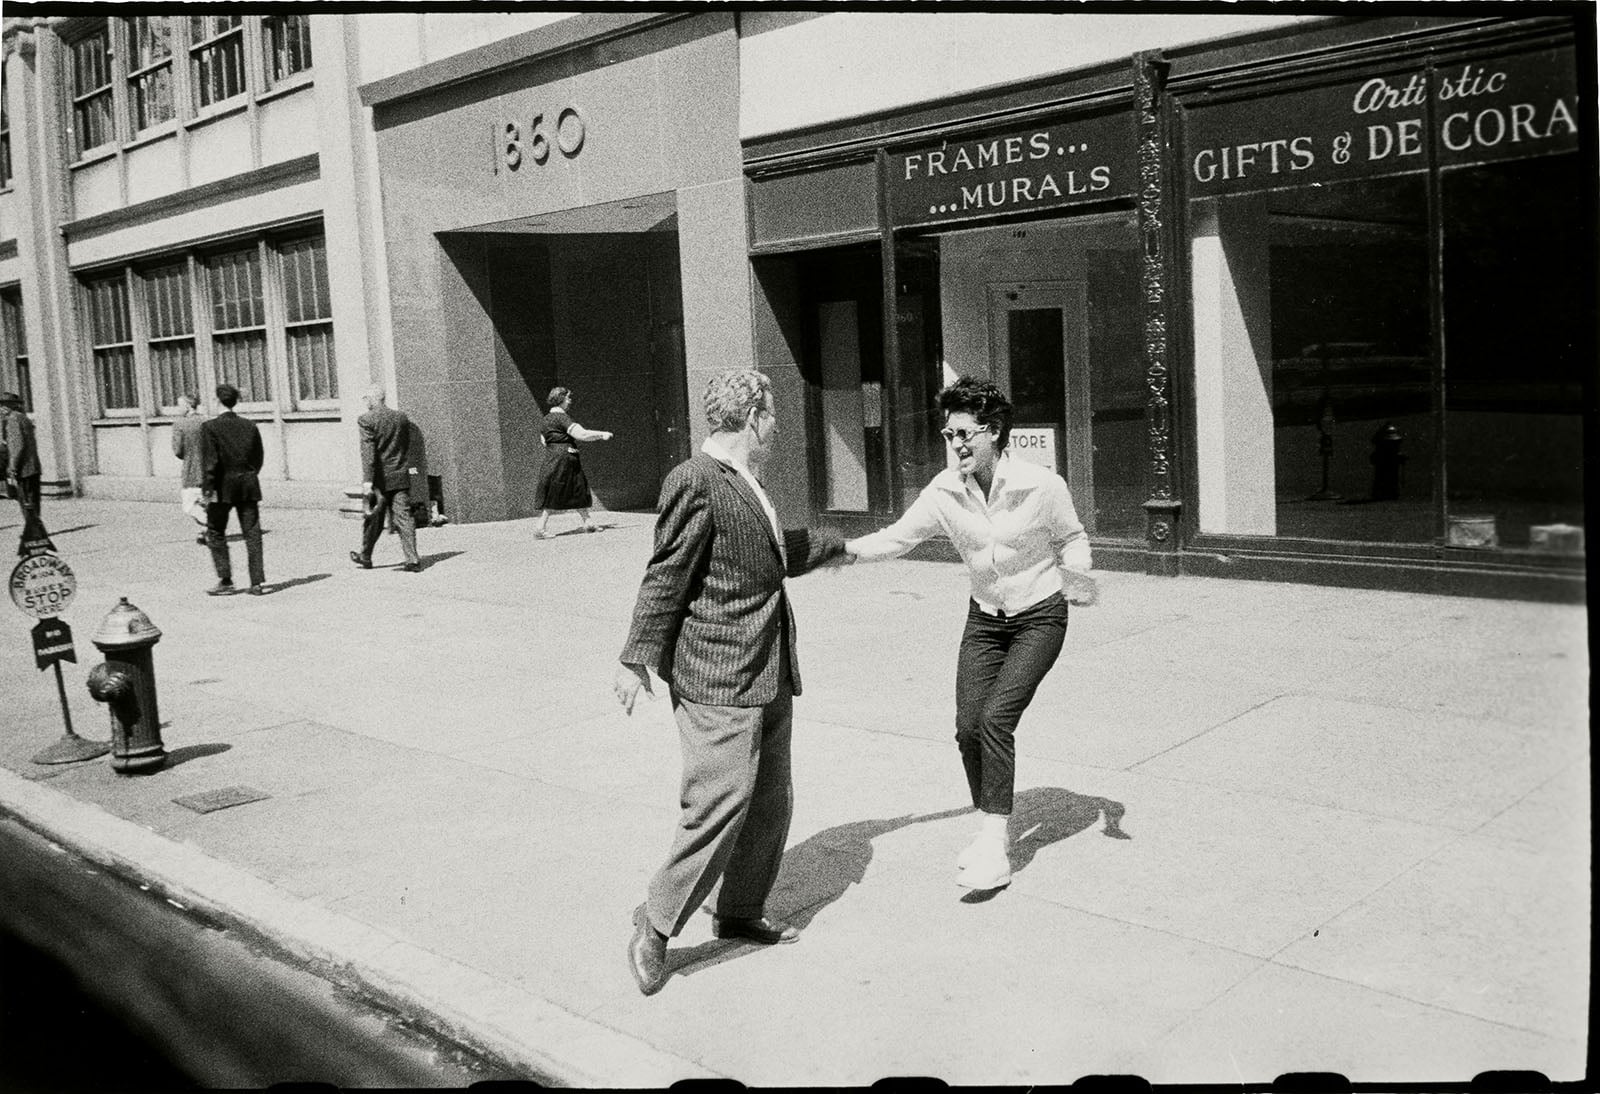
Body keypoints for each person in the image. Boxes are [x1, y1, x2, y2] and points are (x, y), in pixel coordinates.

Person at [614, 367, 845, 997]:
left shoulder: (744, 479)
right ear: (753, 417)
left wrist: (834, 545)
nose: (776, 427)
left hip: (768, 665)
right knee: (721, 798)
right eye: (771, 416)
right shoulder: (695, 479)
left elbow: (764, 556)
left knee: (769, 799)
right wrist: (635, 658)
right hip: (717, 671)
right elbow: (667, 573)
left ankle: (740, 910)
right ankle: (656, 925)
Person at [844, 376, 1097, 892]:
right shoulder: (944, 492)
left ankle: (994, 846)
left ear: (994, 431)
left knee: (995, 719)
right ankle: (989, 828)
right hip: (984, 621)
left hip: (1039, 616)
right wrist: (837, 550)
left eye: (965, 434)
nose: (956, 444)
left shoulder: (1042, 485)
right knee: (967, 728)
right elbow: (897, 538)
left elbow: (1073, 536)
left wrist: (1078, 576)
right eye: (949, 434)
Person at [200, 383, 267, 596]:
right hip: (248, 485)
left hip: (222, 487)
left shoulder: (210, 427)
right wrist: (249, 474)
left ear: (217, 401)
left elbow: (210, 463)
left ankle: (226, 579)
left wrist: (207, 491)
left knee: (215, 530)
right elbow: (258, 457)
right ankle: (256, 582)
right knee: (252, 533)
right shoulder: (250, 426)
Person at [349, 383, 421, 573]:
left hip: (379, 480)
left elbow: (369, 454)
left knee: (373, 518)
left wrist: (367, 482)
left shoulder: (366, 420)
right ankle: (412, 559)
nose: (365, 403)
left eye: (366, 399)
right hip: (399, 475)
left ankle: (366, 556)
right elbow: (405, 445)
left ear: (372, 399)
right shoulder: (401, 417)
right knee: (404, 517)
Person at [533, 386, 612, 538]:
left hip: (554, 457)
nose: (570, 401)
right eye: (568, 398)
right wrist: (602, 434)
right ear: (561, 399)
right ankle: (540, 528)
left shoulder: (545, 419)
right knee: (556, 490)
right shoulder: (561, 418)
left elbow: (544, 441)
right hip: (565, 459)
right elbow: (581, 434)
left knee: (577, 487)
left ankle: (588, 522)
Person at [171, 393, 208, 545]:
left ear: (187, 406)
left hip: (192, 470)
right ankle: (204, 533)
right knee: (205, 503)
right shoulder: (207, 421)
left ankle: (210, 525)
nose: (177, 409)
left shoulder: (180, 424)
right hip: (209, 470)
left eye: (179, 405)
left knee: (189, 505)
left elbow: (178, 450)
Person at [1, 391, 41, 522]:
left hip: (24, 468)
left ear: (11, 406)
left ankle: (33, 528)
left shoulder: (13, 419)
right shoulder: (23, 417)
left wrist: (12, 467)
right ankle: (35, 525)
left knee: (26, 500)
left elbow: (17, 446)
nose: (1, 409)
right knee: (32, 499)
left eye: (4, 405)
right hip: (32, 466)